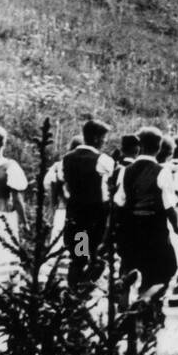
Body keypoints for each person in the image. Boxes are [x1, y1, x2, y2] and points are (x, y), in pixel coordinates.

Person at [113, 126, 178, 327]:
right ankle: (146, 303)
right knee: (165, 269)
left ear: (140, 146)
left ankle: (128, 301)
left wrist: (115, 230)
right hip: (155, 230)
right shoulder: (163, 172)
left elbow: (119, 203)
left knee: (132, 263)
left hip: (130, 229)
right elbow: (169, 205)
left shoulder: (125, 171)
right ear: (159, 147)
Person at [56, 119, 114, 288]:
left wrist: (68, 200)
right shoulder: (103, 160)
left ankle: (76, 289)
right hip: (95, 218)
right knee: (89, 255)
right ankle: (77, 290)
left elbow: (59, 183)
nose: (104, 142)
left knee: (79, 255)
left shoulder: (66, 159)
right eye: (103, 138)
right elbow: (112, 186)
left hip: (76, 215)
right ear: (96, 138)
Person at [0, 125, 28, 274]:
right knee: (5, 252)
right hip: (4, 215)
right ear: (3, 143)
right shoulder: (10, 166)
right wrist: (24, 221)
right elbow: (17, 199)